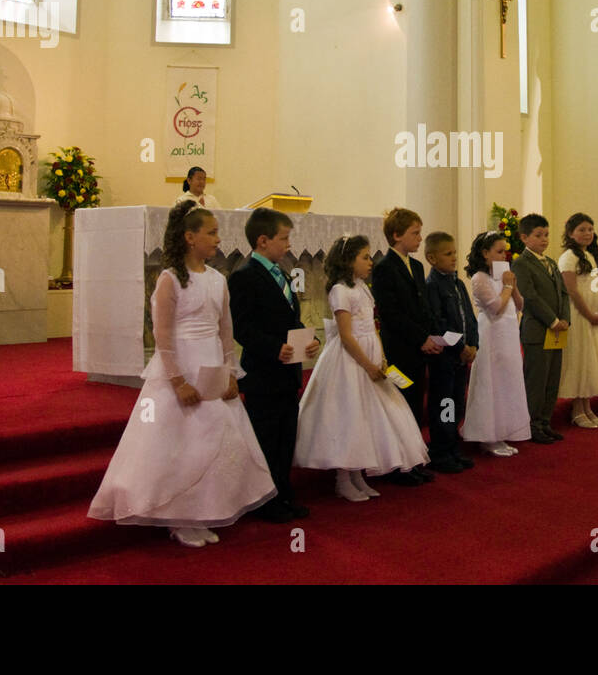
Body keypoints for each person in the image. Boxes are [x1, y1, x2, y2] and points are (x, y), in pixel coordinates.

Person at [88, 201, 276, 546]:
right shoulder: (170, 279)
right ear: (190, 237)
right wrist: (177, 380)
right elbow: (162, 336)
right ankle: (178, 517)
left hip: (211, 366)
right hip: (182, 366)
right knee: (181, 442)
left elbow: (225, 330)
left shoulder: (219, 279)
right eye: (212, 232)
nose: (218, 239)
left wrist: (232, 372)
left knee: (212, 439)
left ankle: (203, 509)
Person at [294, 235, 429, 501]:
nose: (370, 262)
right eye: (364, 257)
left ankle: (358, 474)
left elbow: (372, 325)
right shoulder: (340, 290)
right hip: (350, 360)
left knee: (368, 417)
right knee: (349, 416)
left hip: (371, 356)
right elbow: (345, 335)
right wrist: (367, 365)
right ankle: (343, 478)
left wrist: (381, 357)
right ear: (348, 260)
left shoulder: (362, 287)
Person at [227, 208, 320, 523]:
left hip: (287, 371)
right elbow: (242, 327)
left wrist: (307, 341)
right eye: (285, 238)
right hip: (263, 373)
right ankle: (266, 499)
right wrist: (273, 348)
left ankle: (283, 493)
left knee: (285, 437)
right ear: (263, 241)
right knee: (266, 438)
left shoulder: (283, 272)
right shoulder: (243, 276)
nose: (289, 245)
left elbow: (290, 319)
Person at [371, 207, 442, 485]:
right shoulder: (384, 268)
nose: (420, 238)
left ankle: (413, 458)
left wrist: (431, 336)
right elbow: (391, 313)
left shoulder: (416, 266)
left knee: (415, 403)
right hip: (399, 346)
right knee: (400, 403)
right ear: (397, 235)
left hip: (419, 346)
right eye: (415, 233)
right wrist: (419, 337)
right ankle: (398, 463)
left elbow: (421, 307)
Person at [461, 231, 530, 457]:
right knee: (491, 382)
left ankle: (503, 431)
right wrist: (508, 287)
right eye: (499, 252)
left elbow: (519, 306)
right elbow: (495, 307)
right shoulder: (479, 278)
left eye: (505, 252)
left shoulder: (504, 277)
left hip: (509, 333)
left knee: (507, 381)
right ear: (485, 253)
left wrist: (514, 285)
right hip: (491, 334)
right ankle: (487, 436)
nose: (504, 256)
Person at [557, 213, 598, 428]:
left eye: (590, 229)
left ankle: (587, 408)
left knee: (592, 362)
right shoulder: (568, 257)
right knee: (580, 362)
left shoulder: (592, 256)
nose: (587, 234)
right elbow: (572, 291)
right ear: (570, 233)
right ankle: (577, 410)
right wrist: (589, 314)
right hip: (579, 316)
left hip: (595, 316)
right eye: (582, 230)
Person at [511, 213, 569, 444]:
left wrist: (565, 319)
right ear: (525, 238)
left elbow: (563, 293)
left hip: (557, 330)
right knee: (536, 379)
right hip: (538, 330)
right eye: (538, 235)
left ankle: (545, 421)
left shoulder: (552, 263)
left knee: (552, 378)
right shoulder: (521, 263)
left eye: (546, 235)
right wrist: (553, 321)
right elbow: (530, 297)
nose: (544, 239)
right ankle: (532, 424)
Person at [423, 231, 479, 473]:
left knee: (457, 402)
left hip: (461, 358)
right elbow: (438, 323)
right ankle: (441, 450)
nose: (454, 257)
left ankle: (454, 446)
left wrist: (474, 343)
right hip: (445, 358)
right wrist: (460, 347)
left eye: (455, 252)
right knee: (444, 403)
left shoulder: (457, 283)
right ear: (432, 258)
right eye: (448, 254)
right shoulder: (432, 286)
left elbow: (469, 316)